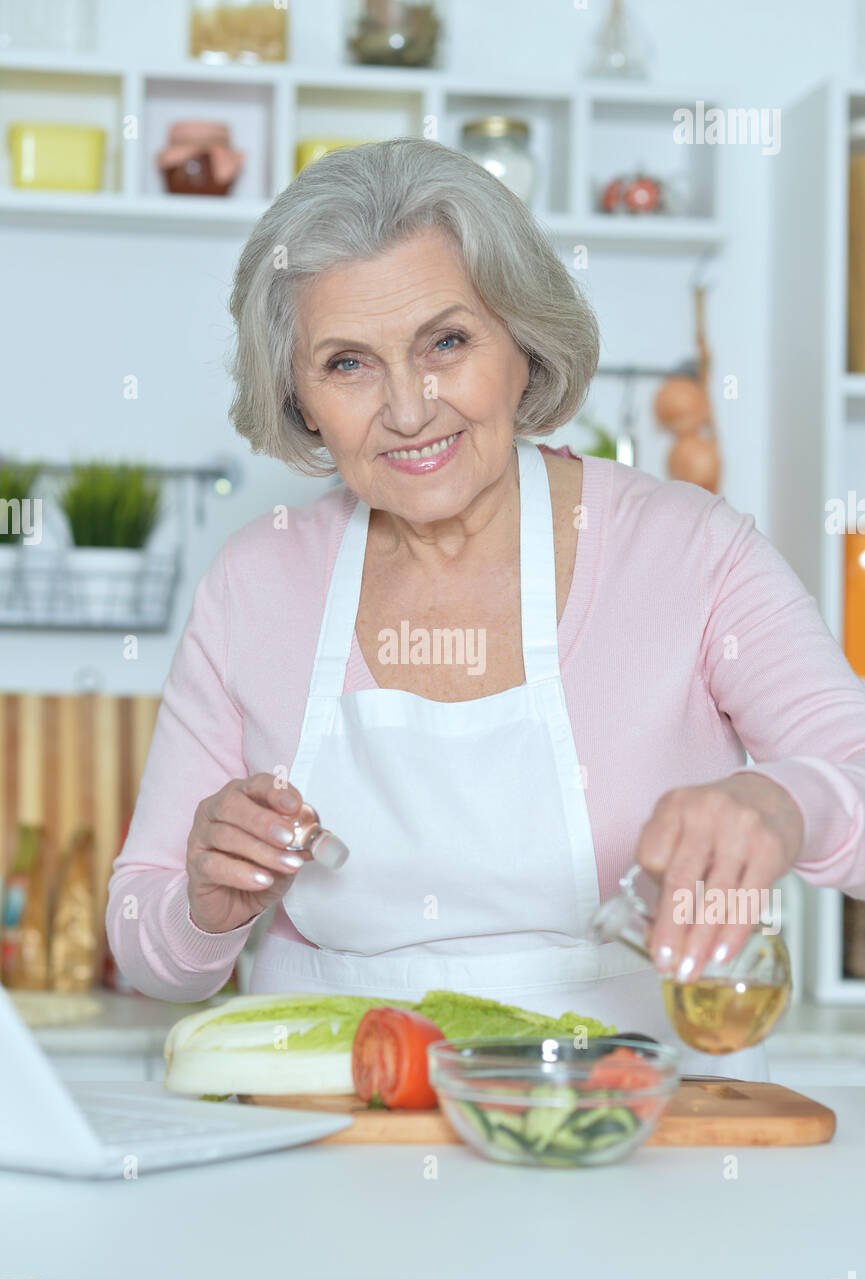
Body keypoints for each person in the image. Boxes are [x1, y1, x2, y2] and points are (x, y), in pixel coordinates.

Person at [107, 138, 865, 1081]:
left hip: (629, 1143)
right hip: (328, 1143)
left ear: (521, 345)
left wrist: (783, 800)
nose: (409, 409)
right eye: (348, 364)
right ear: (299, 400)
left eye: (447, 343)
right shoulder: (254, 582)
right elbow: (148, 948)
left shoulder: (689, 552)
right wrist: (198, 907)